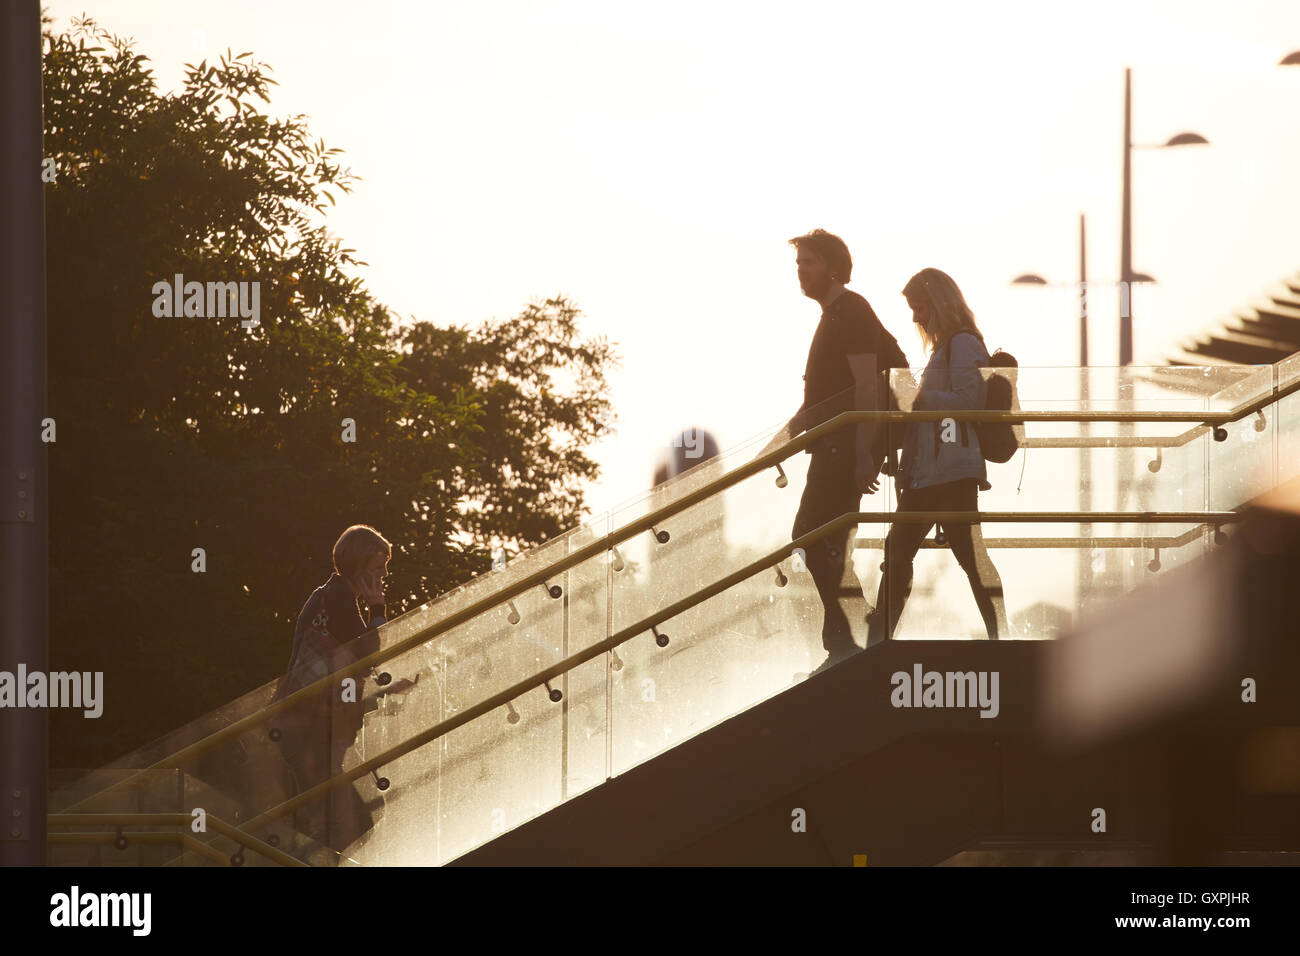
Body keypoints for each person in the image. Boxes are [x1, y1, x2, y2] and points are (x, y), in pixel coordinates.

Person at [764, 230, 909, 675]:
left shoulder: (851, 311)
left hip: (847, 448)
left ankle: (850, 638)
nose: (800, 271)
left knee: (812, 537)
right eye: (798, 264)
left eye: (807, 262)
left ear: (831, 267)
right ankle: (847, 637)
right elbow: (821, 400)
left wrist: (867, 453)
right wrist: (776, 445)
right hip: (832, 446)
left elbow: (867, 385)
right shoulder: (833, 316)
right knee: (821, 542)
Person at [867, 268, 1007, 643]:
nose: (915, 318)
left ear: (940, 304)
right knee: (930, 554)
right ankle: (1000, 636)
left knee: (925, 554)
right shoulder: (949, 346)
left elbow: (969, 402)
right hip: (933, 473)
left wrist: (919, 397)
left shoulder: (963, 344)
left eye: (920, 308)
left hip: (949, 472)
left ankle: (878, 642)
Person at [272, 524, 391, 856]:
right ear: (358, 564)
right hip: (306, 730)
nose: (384, 575)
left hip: (302, 727)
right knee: (345, 823)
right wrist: (377, 608)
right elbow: (367, 653)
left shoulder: (327, 595)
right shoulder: (337, 595)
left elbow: (351, 666)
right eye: (379, 567)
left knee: (331, 824)